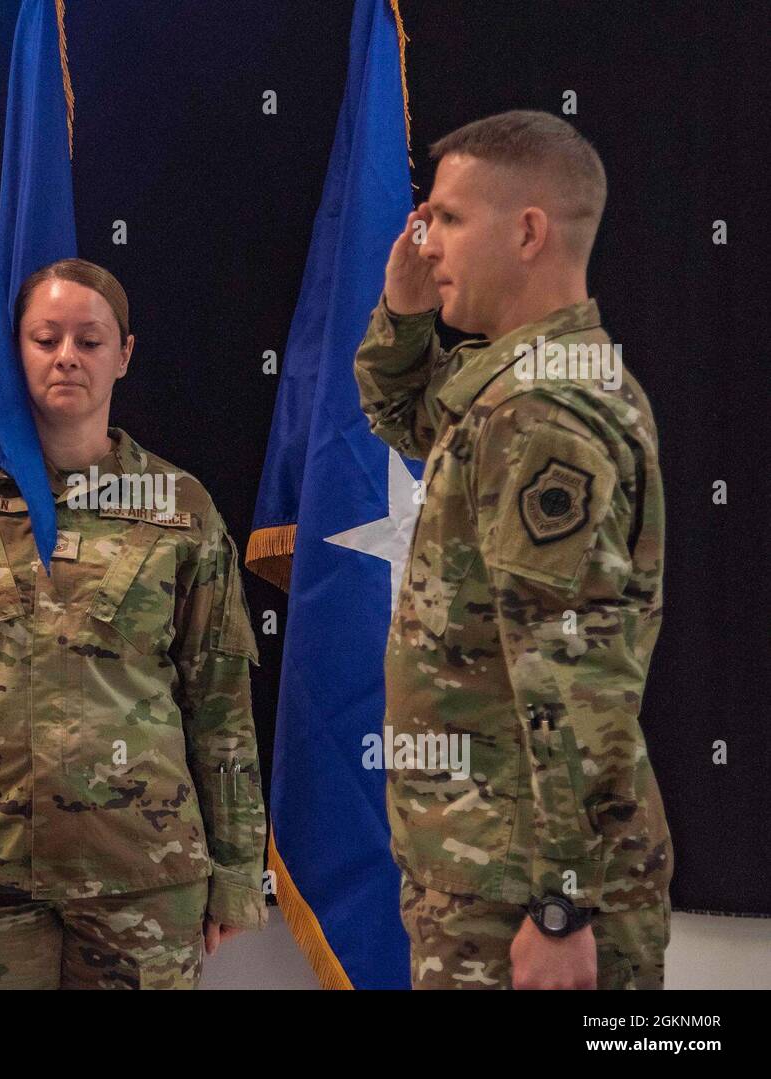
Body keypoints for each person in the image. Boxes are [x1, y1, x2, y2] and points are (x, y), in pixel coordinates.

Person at [0, 258, 268, 989]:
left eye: (89, 340)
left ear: (125, 353)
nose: (66, 357)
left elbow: (220, 702)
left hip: (139, 875)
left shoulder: (181, 507)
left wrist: (239, 867)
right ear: (14, 348)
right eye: (44, 337)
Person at [354, 110, 672, 989]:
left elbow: (573, 676)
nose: (428, 240)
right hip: (490, 867)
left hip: (522, 891)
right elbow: (407, 420)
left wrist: (562, 906)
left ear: (529, 231)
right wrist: (405, 315)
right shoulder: (517, 387)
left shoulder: (545, 411)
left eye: (449, 219)